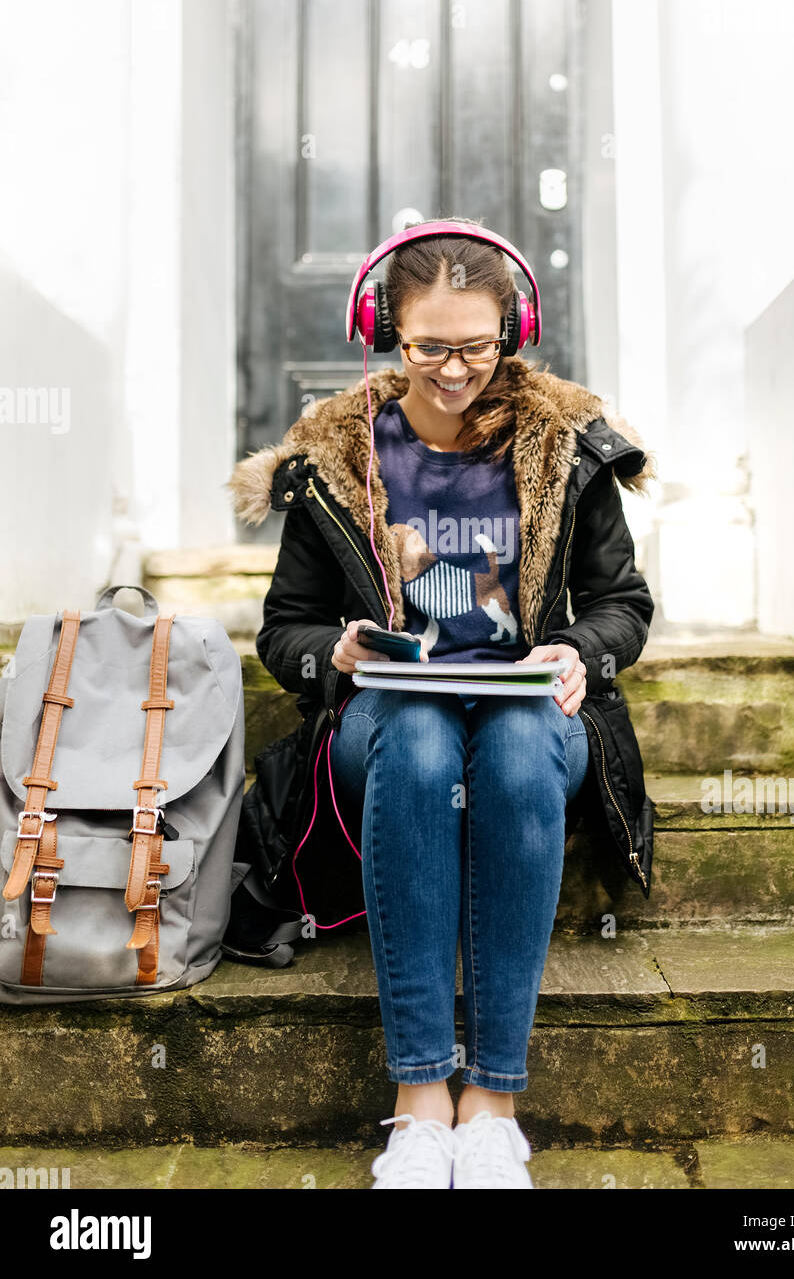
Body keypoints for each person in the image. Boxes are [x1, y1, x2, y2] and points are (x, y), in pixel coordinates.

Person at [228, 219, 656, 1188]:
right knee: (420, 739)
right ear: (386, 331)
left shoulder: (566, 442)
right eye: (431, 347)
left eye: (476, 345)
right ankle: (421, 1104)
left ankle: (493, 1104)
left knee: (511, 748)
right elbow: (283, 628)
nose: (455, 370)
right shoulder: (338, 453)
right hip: (389, 717)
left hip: (528, 714)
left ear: (514, 331)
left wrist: (581, 650)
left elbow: (624, 604)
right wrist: (332, 655)